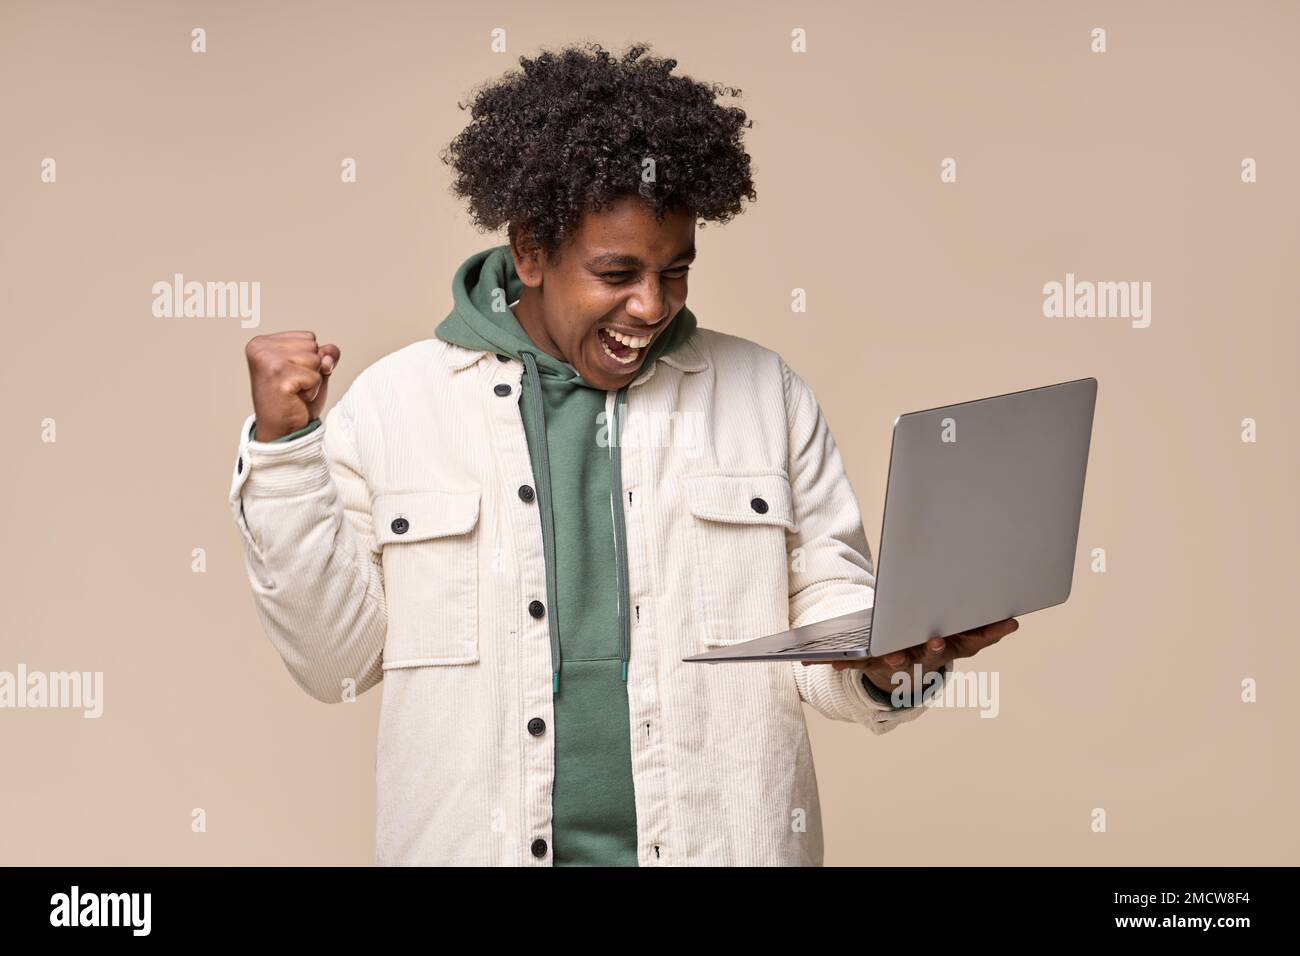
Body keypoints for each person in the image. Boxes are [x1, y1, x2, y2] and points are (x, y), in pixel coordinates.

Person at [228, 41, 1019, 866]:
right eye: (616, 272)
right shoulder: (398, 407)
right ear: (531, 251)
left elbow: (827, 629)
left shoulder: (762, 393)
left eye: (674, 271)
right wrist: (286, 452)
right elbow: (335, 666)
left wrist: (891, 666)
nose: (651, 305)